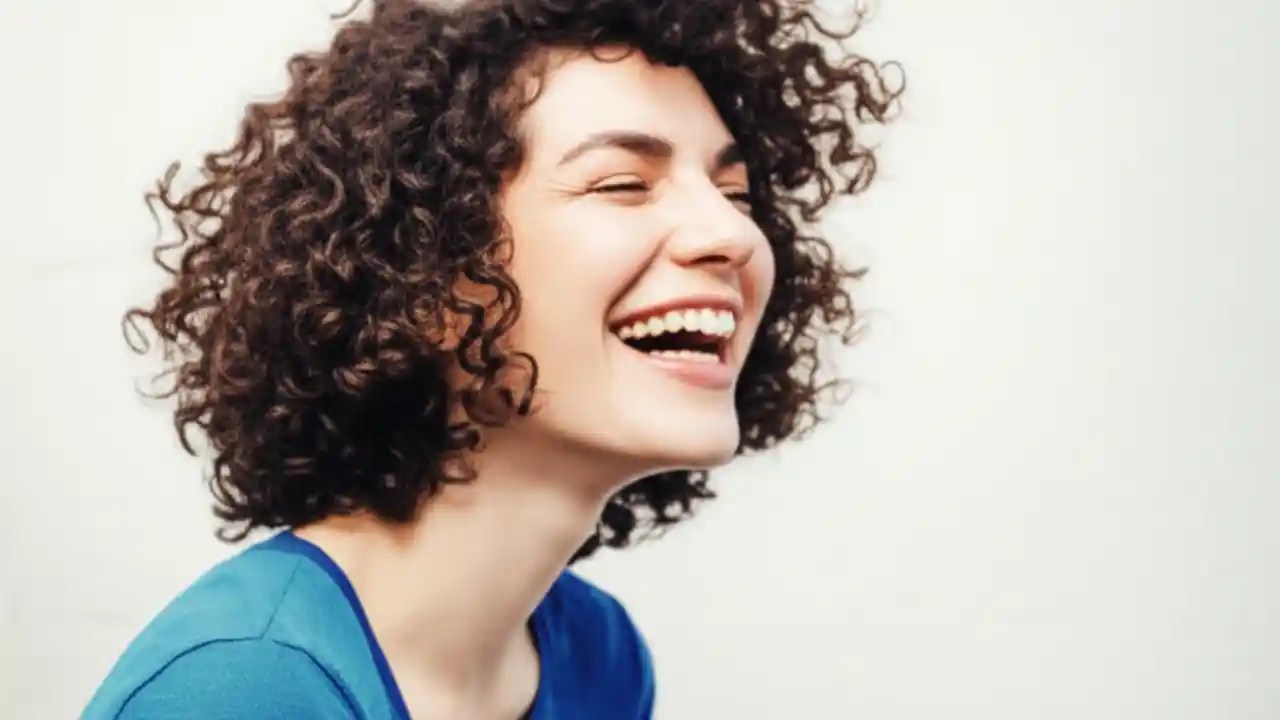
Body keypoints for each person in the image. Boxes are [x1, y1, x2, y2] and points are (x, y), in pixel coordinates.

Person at [83, 0, 902, 717]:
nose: (732, 237)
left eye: (736, 196)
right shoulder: (241, 692)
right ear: (423, 274)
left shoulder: (600, 658)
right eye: (622, 184)